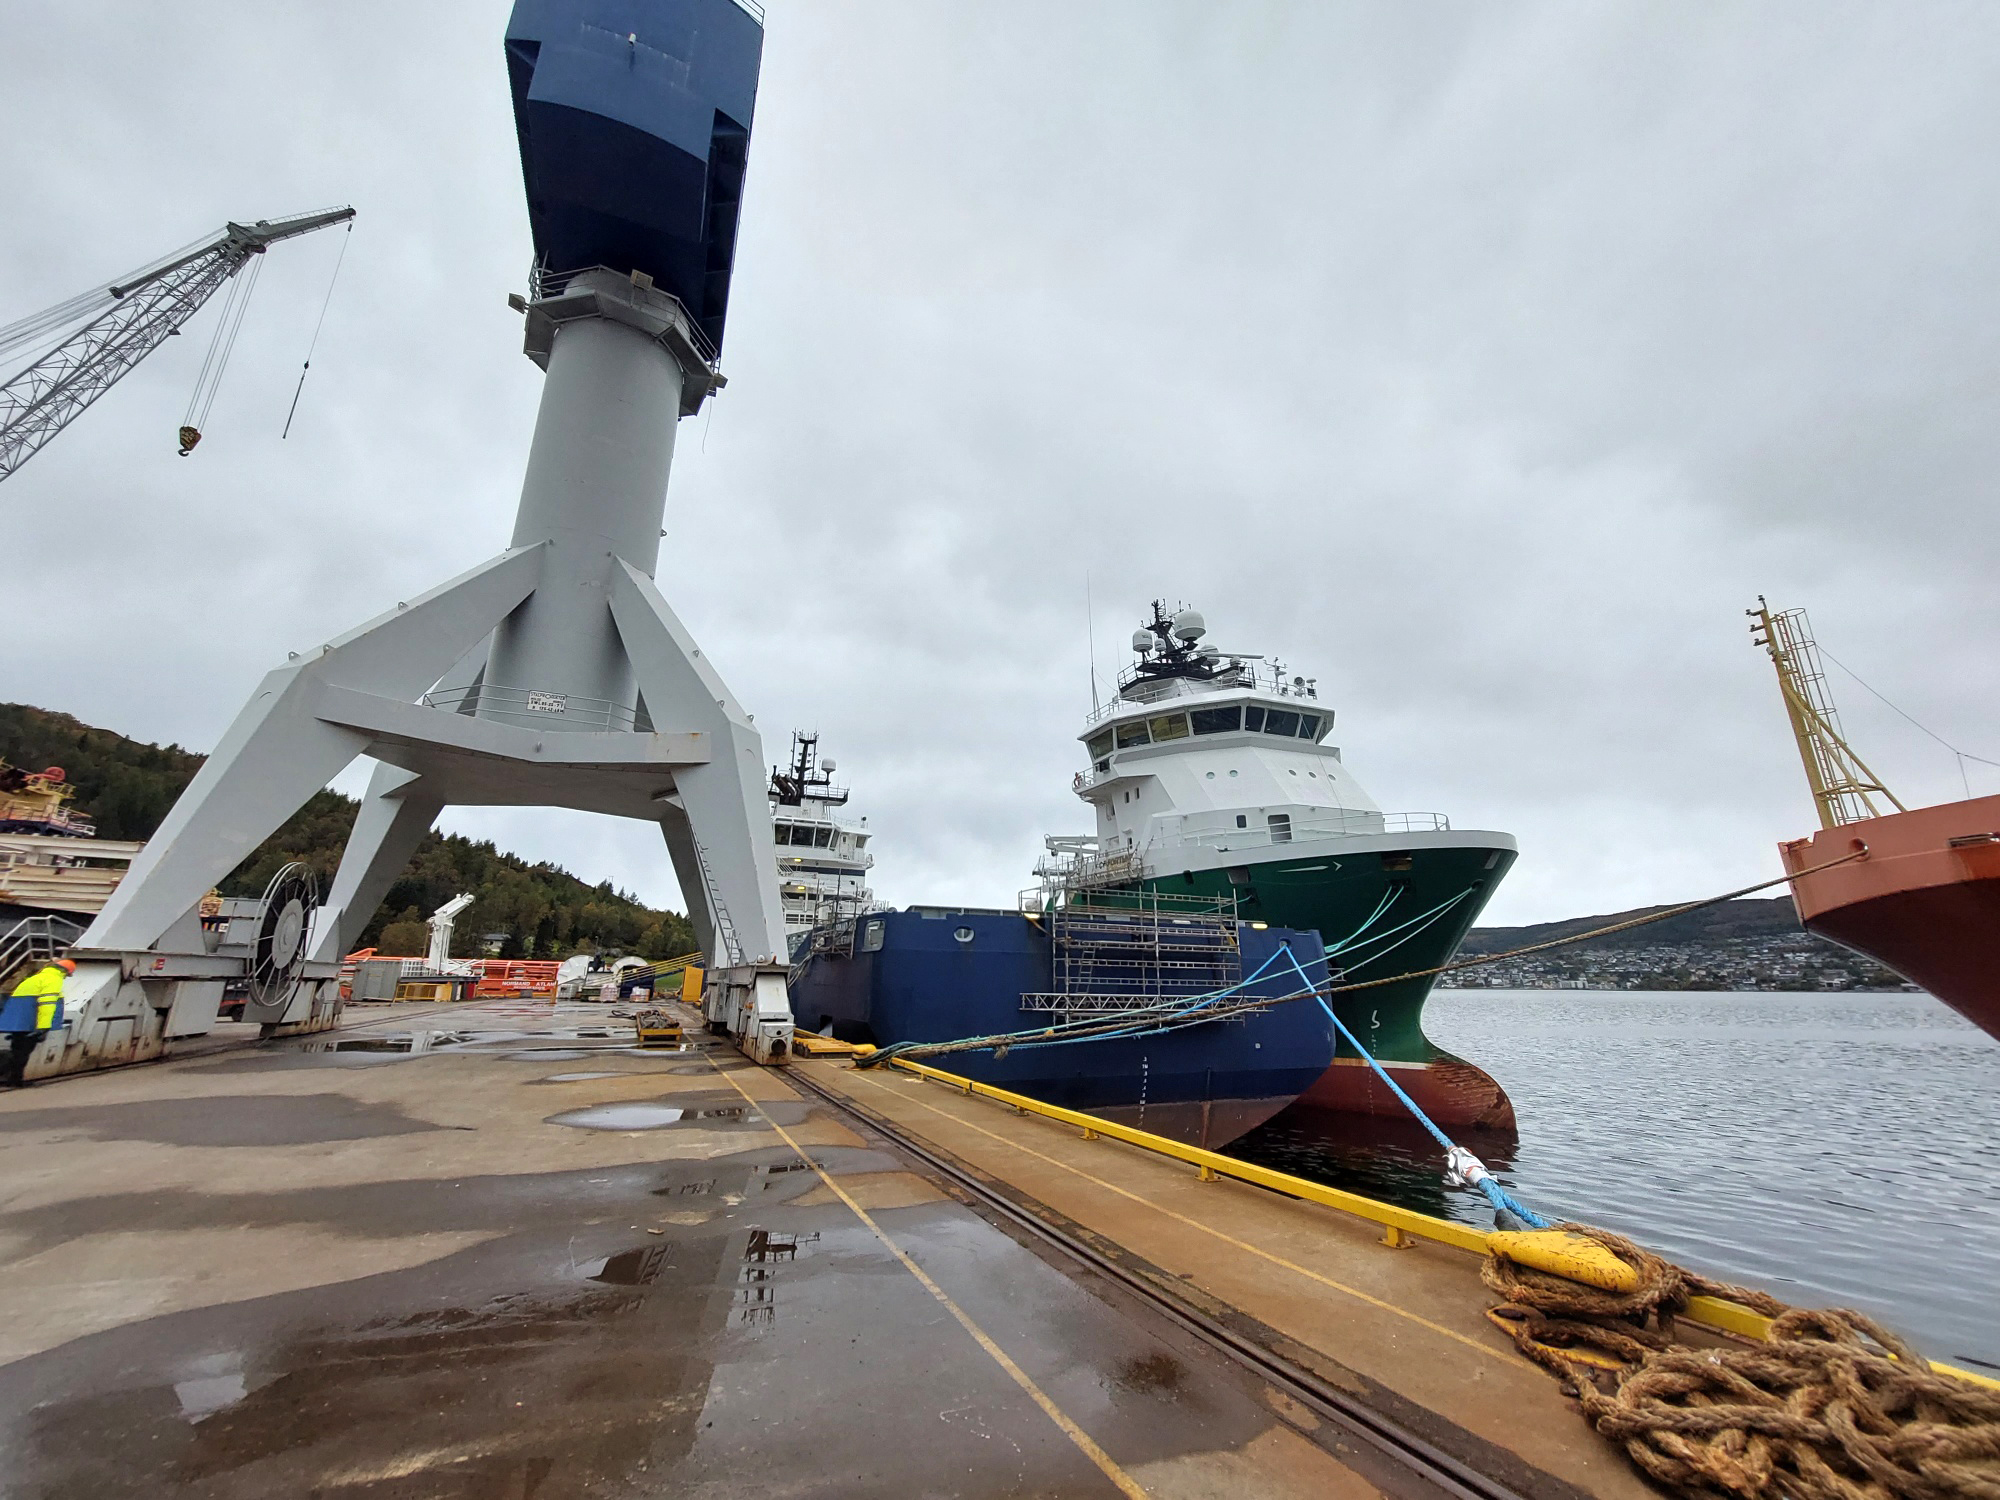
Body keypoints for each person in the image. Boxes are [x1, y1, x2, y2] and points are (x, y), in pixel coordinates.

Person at [1, 957, 72, 1087]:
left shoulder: (35, 978)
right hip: (30, 1023)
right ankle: (15, 1081)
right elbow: (47, 1003)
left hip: (18, 1022)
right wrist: (43, 1027)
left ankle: (12, 1079)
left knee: (17, 1049)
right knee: (24, 1051)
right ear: (65, 972)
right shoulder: (53, 979)